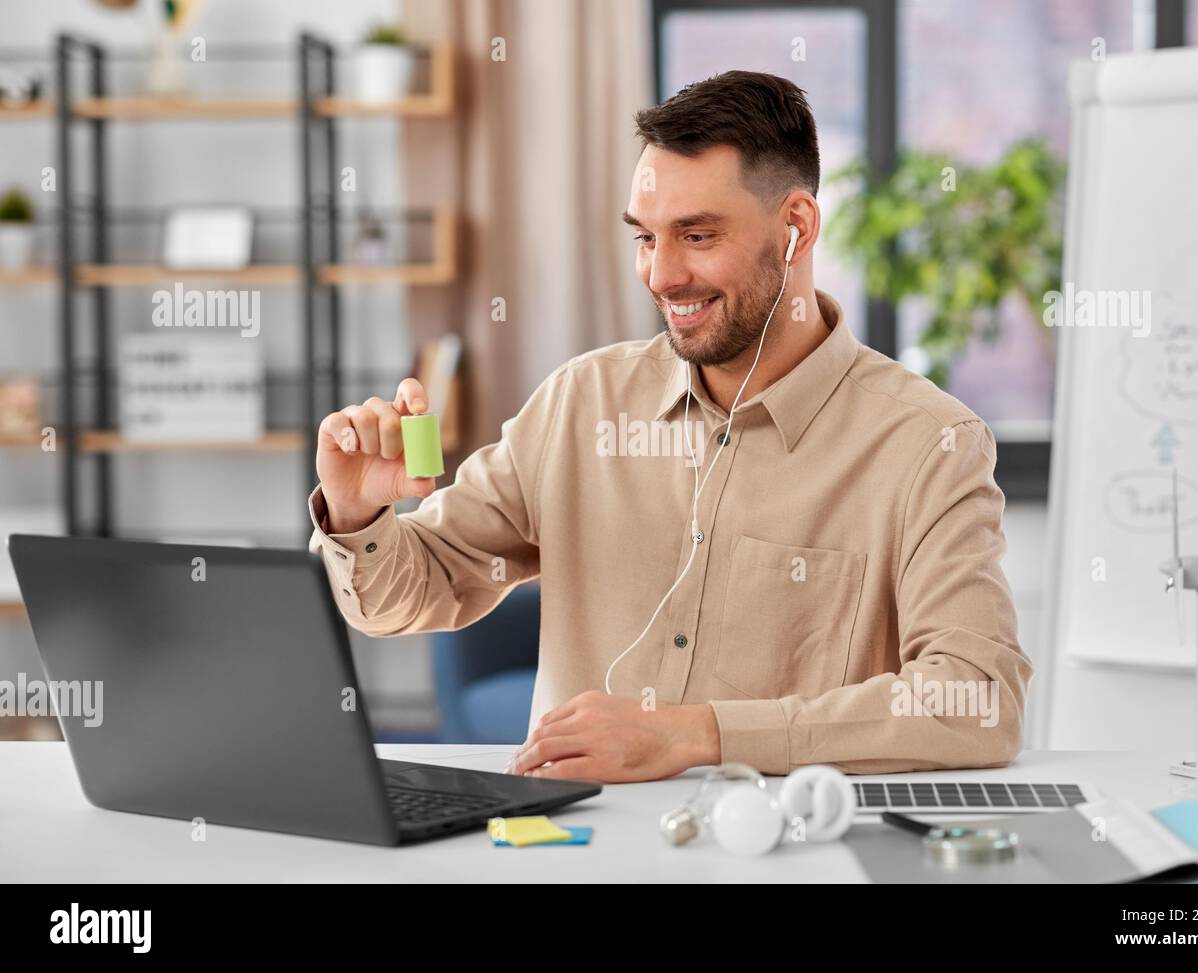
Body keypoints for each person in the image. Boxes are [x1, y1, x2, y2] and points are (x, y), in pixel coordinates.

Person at [309, 70, 1032, 784]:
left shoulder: (927, 444)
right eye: (646, 238)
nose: (661, 275)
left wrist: (696, 735)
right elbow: (412, 592)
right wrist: (358, 512)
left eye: (697, 235)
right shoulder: (579, 404)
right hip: (574, 850)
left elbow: (977, 698)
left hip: (782, 854)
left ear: (797, 227)